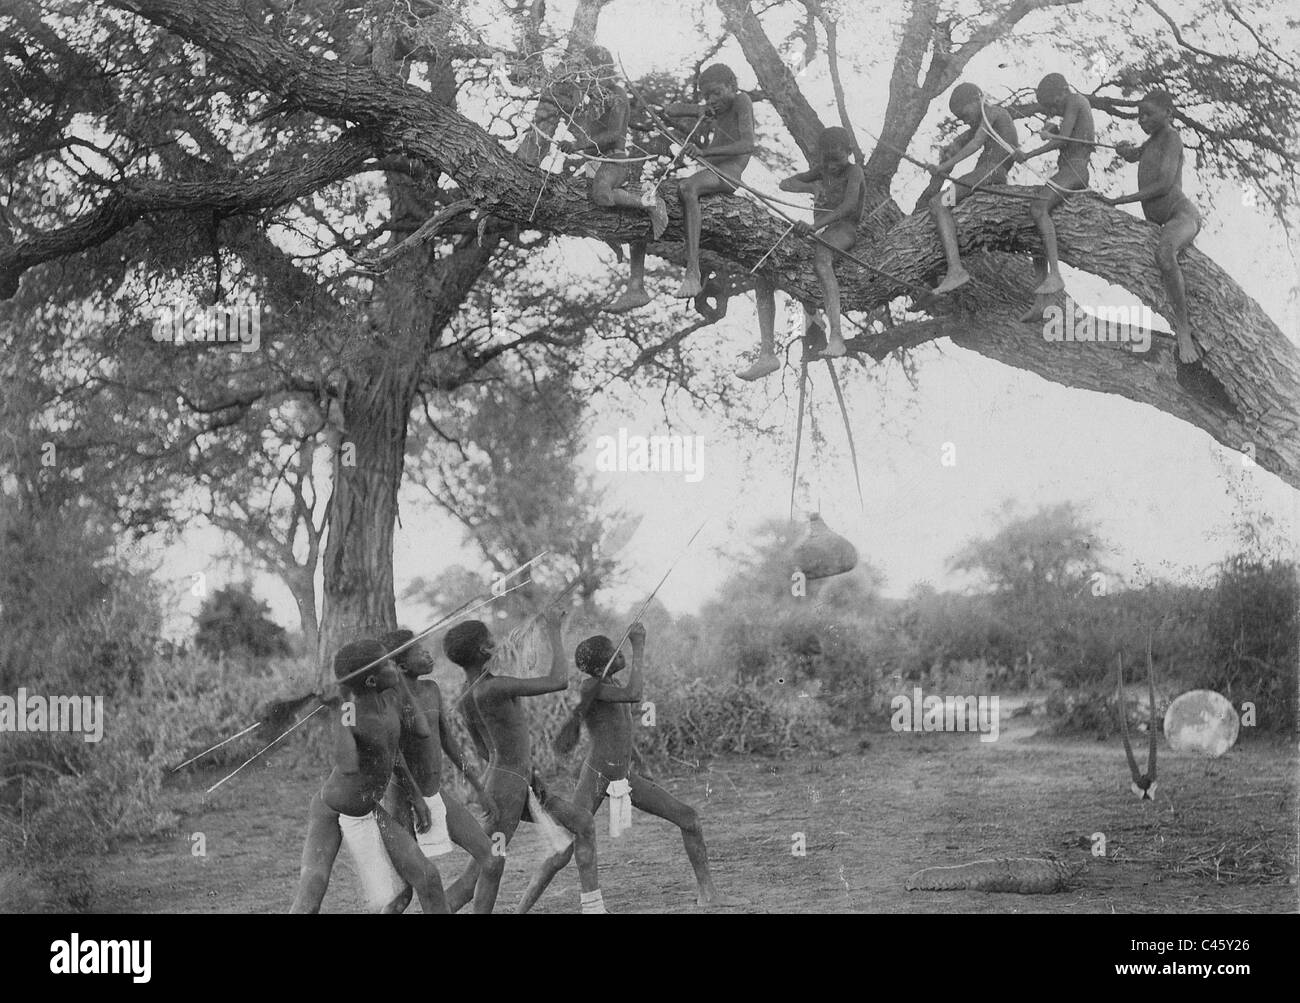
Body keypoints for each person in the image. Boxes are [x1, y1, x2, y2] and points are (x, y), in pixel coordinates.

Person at [524, 625, 738, 910]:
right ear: (604, 663)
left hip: (625, 777)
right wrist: (639, 645)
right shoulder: (592, 686)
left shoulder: (609, 685)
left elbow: (624, 710)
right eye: (615, 651)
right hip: (596, 777)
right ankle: (521, 908)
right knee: (564, 847)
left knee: (689, 819)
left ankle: (708, 892)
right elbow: (636, 693)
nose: (621, 651)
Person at [446, 613, 608, 914]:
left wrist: (526, 775)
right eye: (491, 639)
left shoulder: (467, 695)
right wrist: (553, 631)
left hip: (511, 781)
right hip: (508, 787)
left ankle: (593, 906)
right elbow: (559, 680)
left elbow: (484, 749)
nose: (498, 642)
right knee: (482, 871)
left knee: (582, 822)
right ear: (484, 650)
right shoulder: (495, 687)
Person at [290, 639, 446, 914]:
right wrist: (337, 709)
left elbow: (417, 733)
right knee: (312, 890)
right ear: (373, 681)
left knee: (428, 877)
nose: (394, 665)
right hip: (332, 809)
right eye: (388, 664)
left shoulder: (392, 700)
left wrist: (416, 797)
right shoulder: (352, 715)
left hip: (368, 810)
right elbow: (348, 765)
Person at [378, 629, 506, 914]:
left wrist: (479, 787)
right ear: (400, 666)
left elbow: (448, 740)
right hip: (402, 801)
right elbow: (394, 757)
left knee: (492, 858)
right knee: (404, 895)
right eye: (418, 652)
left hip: (435, 794)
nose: (427, 654)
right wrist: (417, 800)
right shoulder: (389, 700)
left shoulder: (431, 689)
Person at [557, 45, 669, 314]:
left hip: (615, 160)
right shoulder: (592, 98)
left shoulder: (616, 93)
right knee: (580, 206)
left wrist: (579, 144)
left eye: (590, 72)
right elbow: (585, 133)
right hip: (593, 164)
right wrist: (572, 142)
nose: (586, 78)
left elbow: (612, 134)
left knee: (602, 195)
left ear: (603, 71)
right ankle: (614, 240)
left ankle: (649, 202)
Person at [1101, 90, 1205, 365]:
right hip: (1161, 221)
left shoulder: (1171, 138)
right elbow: (1135, 154)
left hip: (1181, 215)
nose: (1142, 119)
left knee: (1164, 254)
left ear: (1168, 114)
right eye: (1139, 115)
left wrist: (1122, 200)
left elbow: (1164, 184)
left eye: (1148, 113)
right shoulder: (1151, 142)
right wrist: (1125, 151)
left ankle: (1183, 330)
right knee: (1158, 261)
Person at [766, 125, 866, 366]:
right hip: (822, 231)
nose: (831, 166)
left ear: (849, 151)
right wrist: (811, 186)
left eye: (836, 158)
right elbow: (785, 184)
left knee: (822, 259)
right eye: (826, 159)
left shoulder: (854, 171)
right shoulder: (822, 171)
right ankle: (814, 322)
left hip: (844, 229)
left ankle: (837, 335)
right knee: (791, 262)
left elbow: (849, 206)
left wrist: (814, 226)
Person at [1014, 73, 1095, 321]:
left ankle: (1055, 274)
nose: (1055, 109)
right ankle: (1041, 300)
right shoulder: (1072, 104)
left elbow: (1063, 141)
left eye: (1054, 104)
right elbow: (1066, 134)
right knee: (1034, 229)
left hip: (1076, 171)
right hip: (1068, 169)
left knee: (1038, 208)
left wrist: (1029, 154)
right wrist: (1054, 129)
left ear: (1063, 91)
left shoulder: (1075, 100)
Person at [927, 82, 1019, 295]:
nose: (964, 119)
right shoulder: (986, 119)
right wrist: (949, 151)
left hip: (989, 172)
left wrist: (944, 167)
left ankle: (955, 269)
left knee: (939, 203)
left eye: (964, 113)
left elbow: (976, 143)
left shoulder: (994, 113)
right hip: (987, 174)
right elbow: (963, 140)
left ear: (977, 99)